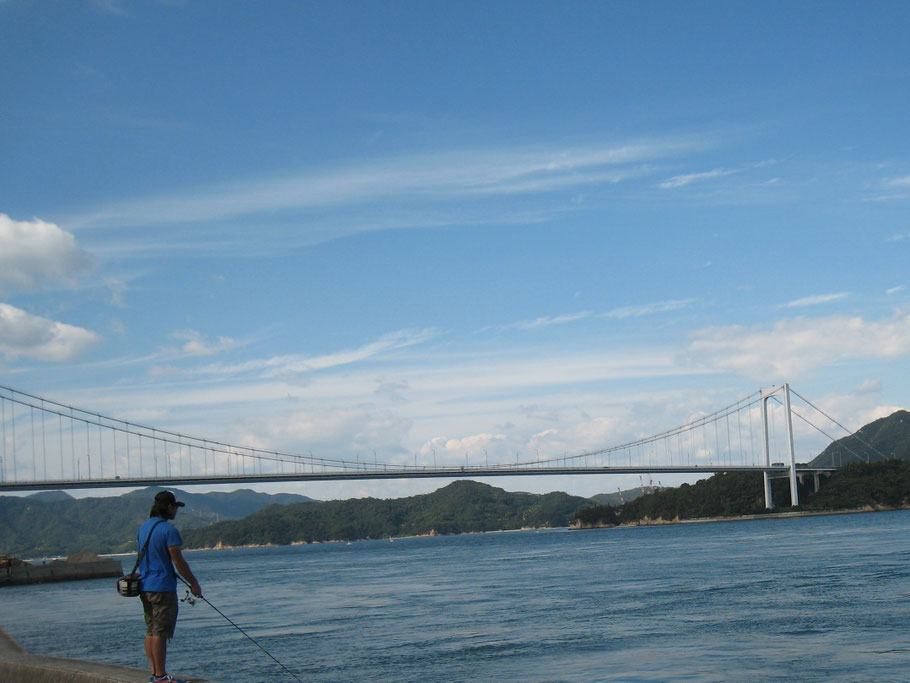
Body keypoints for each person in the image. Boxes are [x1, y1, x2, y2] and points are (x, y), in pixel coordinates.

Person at [137, 490, 203, 683]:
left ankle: (154, 673)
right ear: (168, 507)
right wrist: (194, 583)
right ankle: (161, 677)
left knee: (151, 630)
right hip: (162, 587)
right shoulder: (168, 530)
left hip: (145, 586)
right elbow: (178, 561)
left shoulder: (144, 528)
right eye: (175, 506)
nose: (176, 510)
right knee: (160, 633)